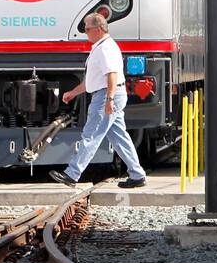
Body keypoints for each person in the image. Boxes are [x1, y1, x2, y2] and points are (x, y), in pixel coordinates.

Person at [49, 12, 146, 188]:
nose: (85, 33)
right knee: (119, 138)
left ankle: (72, 174)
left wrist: (108, 99)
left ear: (99, 29)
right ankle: (137, 174)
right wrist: (73, 92)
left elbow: (111, 75)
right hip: (109, 94)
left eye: (87, 29)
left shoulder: (105, 48)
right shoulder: (101, 47)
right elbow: (92, 81)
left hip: (106, 95)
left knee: (91, 135)